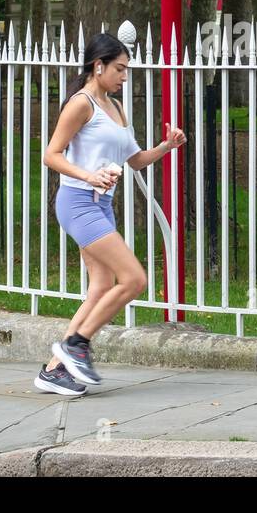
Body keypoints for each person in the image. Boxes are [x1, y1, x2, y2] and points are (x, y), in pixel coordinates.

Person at [33, 32, 186, 396]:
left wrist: (166, 146)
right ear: (98, 66)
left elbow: (134, 161)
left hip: (101, 204)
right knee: (134, 280)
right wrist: (89, 174)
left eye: (126, 69)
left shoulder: (115, 107)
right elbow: (51, 154)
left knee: (101, 286)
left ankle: (54, 371)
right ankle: (76, 345)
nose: (124, 76)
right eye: (119, 68)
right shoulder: (81, 103)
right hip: (78, 202)